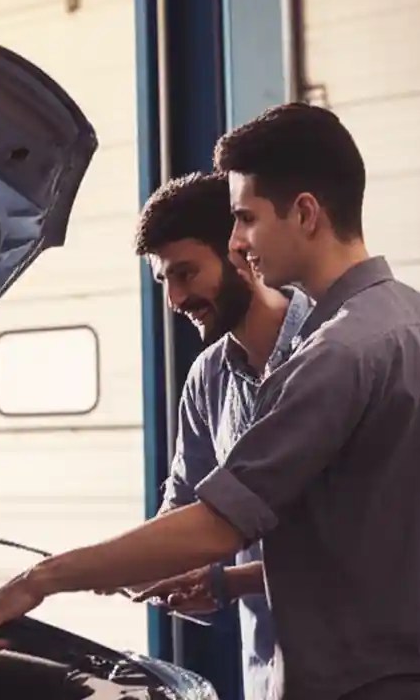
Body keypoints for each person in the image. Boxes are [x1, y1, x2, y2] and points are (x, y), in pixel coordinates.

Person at [0, 102, 420, 700]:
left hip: (378, 677)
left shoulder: (341, 353)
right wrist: (167, 570)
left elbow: (217, 524)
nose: (239, 243)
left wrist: (41, 580)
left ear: (306, 213)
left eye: (246, 220)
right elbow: (367, 539)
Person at [120, 170, 312, 699]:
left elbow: (355, 552)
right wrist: (136, 565)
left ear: (239, 253)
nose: (176, 299)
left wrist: (225, 583)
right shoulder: (207, 379)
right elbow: (182, 505)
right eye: (165, 282)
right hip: (267, 675)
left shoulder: (331, 355)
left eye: (186, 273)